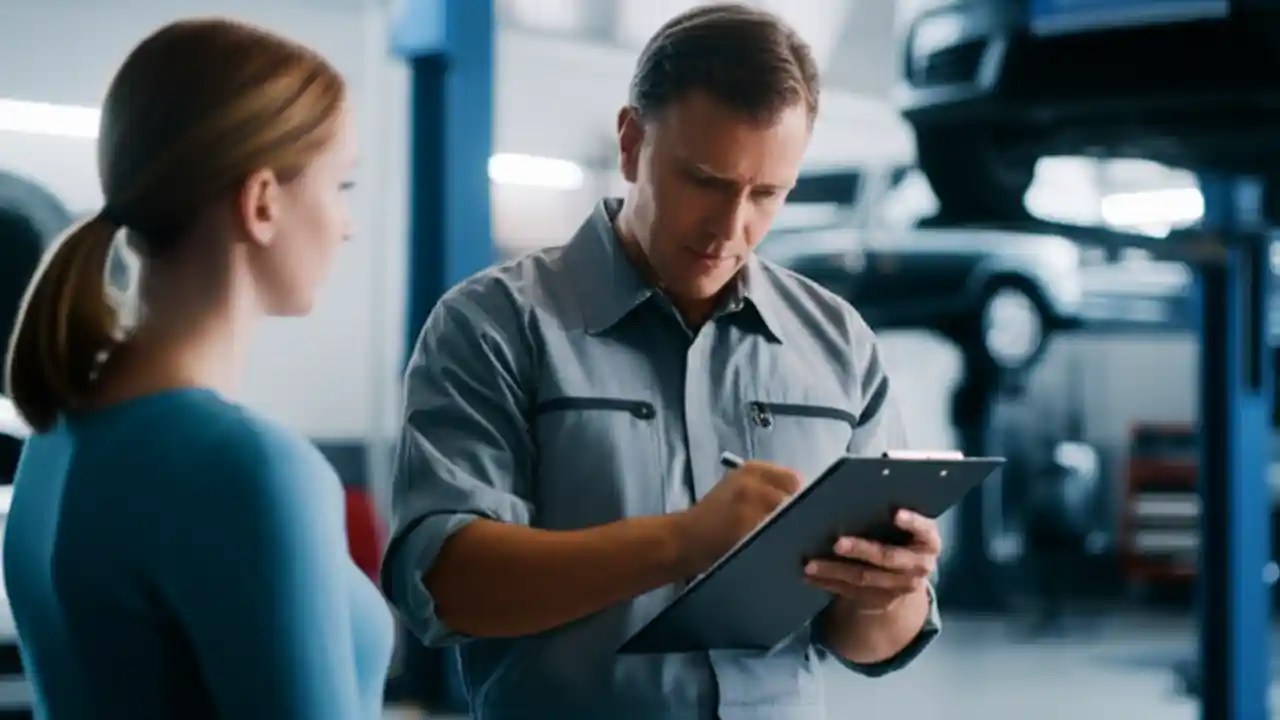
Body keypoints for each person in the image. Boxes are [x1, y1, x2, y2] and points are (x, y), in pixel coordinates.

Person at [383, 4, 943, 719]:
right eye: (704, 181)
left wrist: (892, 589)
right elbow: (447, 585)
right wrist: (681, 541)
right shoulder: (495, 326)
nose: (730, 227)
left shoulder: (838, 344)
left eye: (766, 194)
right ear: (630, 143)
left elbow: (866, 644)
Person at [2, 18, 393, 719]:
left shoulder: (57, 438)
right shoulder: (249, 468)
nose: (346, 223)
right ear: (263, 201)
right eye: (342, 185)